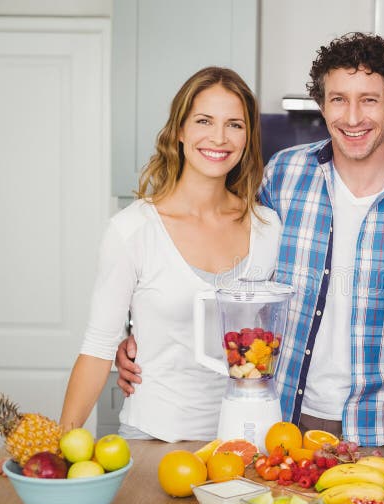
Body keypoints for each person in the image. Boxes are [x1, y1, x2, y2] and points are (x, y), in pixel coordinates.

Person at [115, 33, 384, 446]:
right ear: (322, 105)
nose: (352, 116)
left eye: (369, 100)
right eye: (338, 99)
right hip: (283, 421)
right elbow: (223, 259)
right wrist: (140, 330)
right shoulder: (284, 174)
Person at [59, 67, 281, 442]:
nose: (219, 137)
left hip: (248, 445)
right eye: (204, 121)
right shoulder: (133, 230)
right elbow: (97, 349)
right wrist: (54, 449)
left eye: (235, 125)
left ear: (247, 137)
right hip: (152, 438)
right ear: (179, 130)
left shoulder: (268, 227)